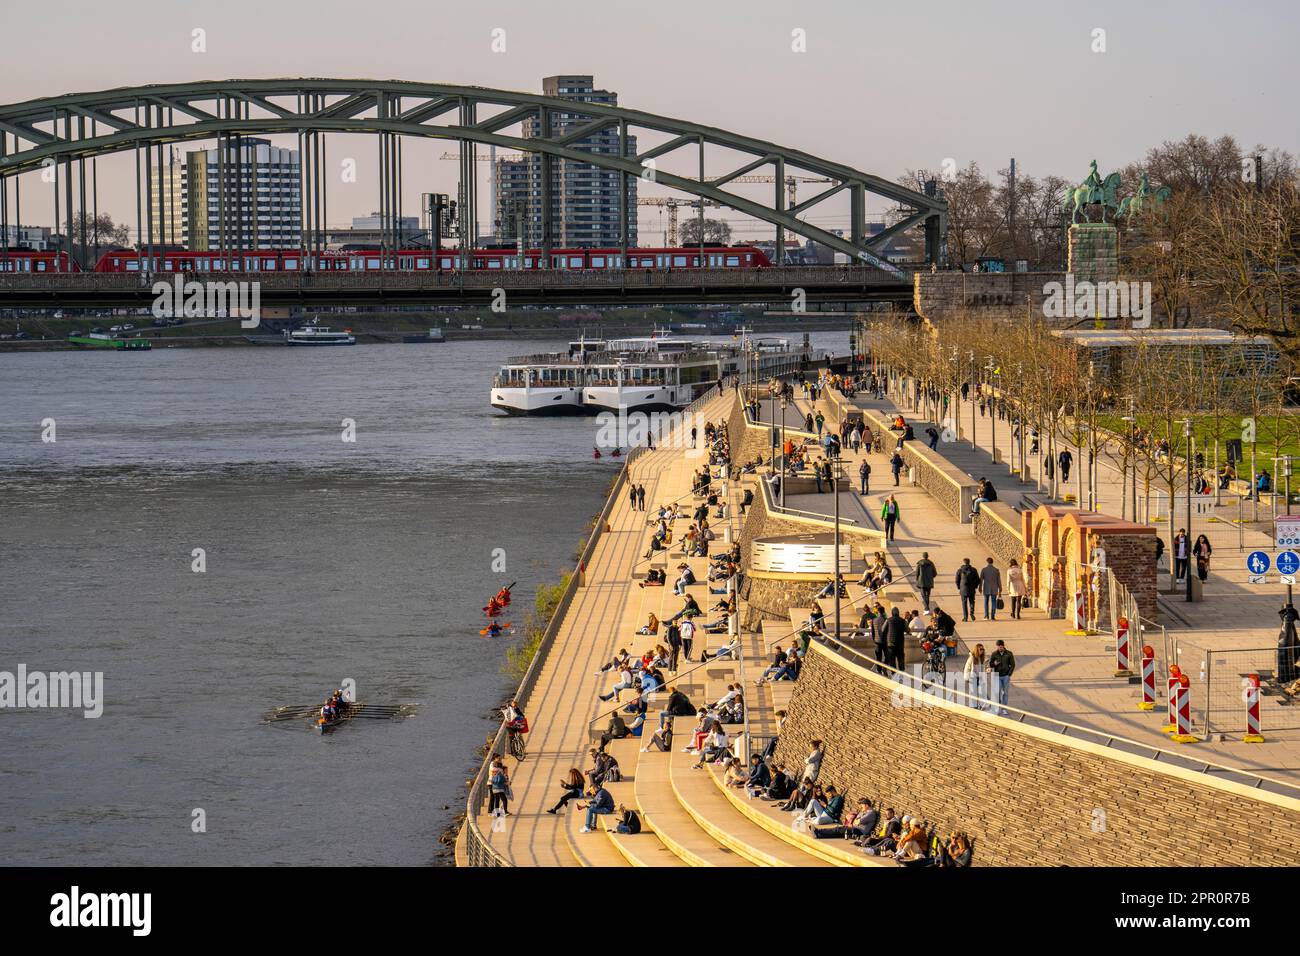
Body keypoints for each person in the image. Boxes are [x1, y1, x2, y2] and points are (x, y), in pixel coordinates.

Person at [988, 639, 1016, 716]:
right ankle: (997, 707)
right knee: (997, 692)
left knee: (1005, 693)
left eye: (1001, 647)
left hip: (1005, 676)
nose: (1000, 648)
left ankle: (1004, 709)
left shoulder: (1009, 654)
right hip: (997, 676)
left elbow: (1013, 665)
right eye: (998, 647)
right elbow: (990, 664)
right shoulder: (994, 654)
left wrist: (1009, 674)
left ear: (1003, 646)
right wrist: (994, 663)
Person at [964, 643, 987, 710]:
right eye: (981, 649)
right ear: (977, 650)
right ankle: (974, 706)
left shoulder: (982, 658)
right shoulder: (972, 658)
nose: (982, 651)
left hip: (979, 677)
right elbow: (967, 668)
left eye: (983, 649)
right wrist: (968, 677)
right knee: (973, 692)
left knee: (981, 692)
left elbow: (982, 668)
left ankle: (980, 705)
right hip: (972, 677)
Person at [883, 607, 908, 671]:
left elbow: (883, 630)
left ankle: (894, 673)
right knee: (900, 658)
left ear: (892, 613)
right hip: (900, 643)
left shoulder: (888, 620)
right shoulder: (903, 620)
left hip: (890, 643)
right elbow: (908, 630)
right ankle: (902, 672)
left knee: (892, 659)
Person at [955, 558, 980, 622]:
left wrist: (959, 587)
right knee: (972, 601)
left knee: (964, 603)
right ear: (969, 562)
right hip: (971, 589)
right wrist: (975, 586)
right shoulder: (974, 570)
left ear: (964, 562)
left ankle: (965, 617)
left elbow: (957, 580)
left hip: (963, 589)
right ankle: (971, 613)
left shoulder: (960, 570)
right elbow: (978, 579)